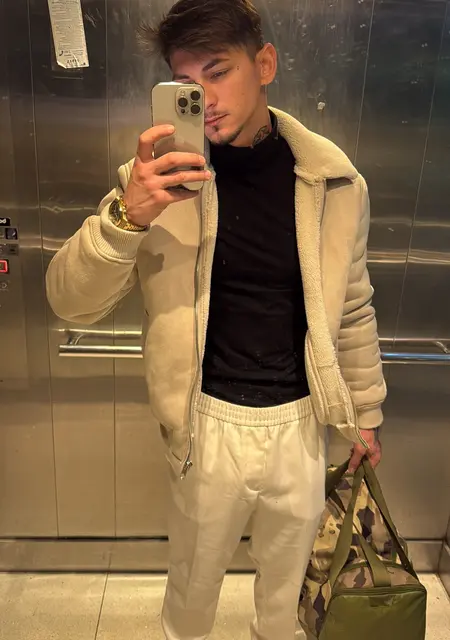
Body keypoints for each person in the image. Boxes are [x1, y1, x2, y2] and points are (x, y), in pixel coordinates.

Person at [46, 1, 387, 638]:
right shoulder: (155, 184)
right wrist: (126, 218)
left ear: (265, 65)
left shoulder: (334, 181)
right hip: (206, 425)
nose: (204, 99)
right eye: (186, 82)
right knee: (191, 595)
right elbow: (70, 302)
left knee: (284, 604)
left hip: (302, 425)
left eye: (218, 72)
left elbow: (352, 306)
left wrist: (365, 413)